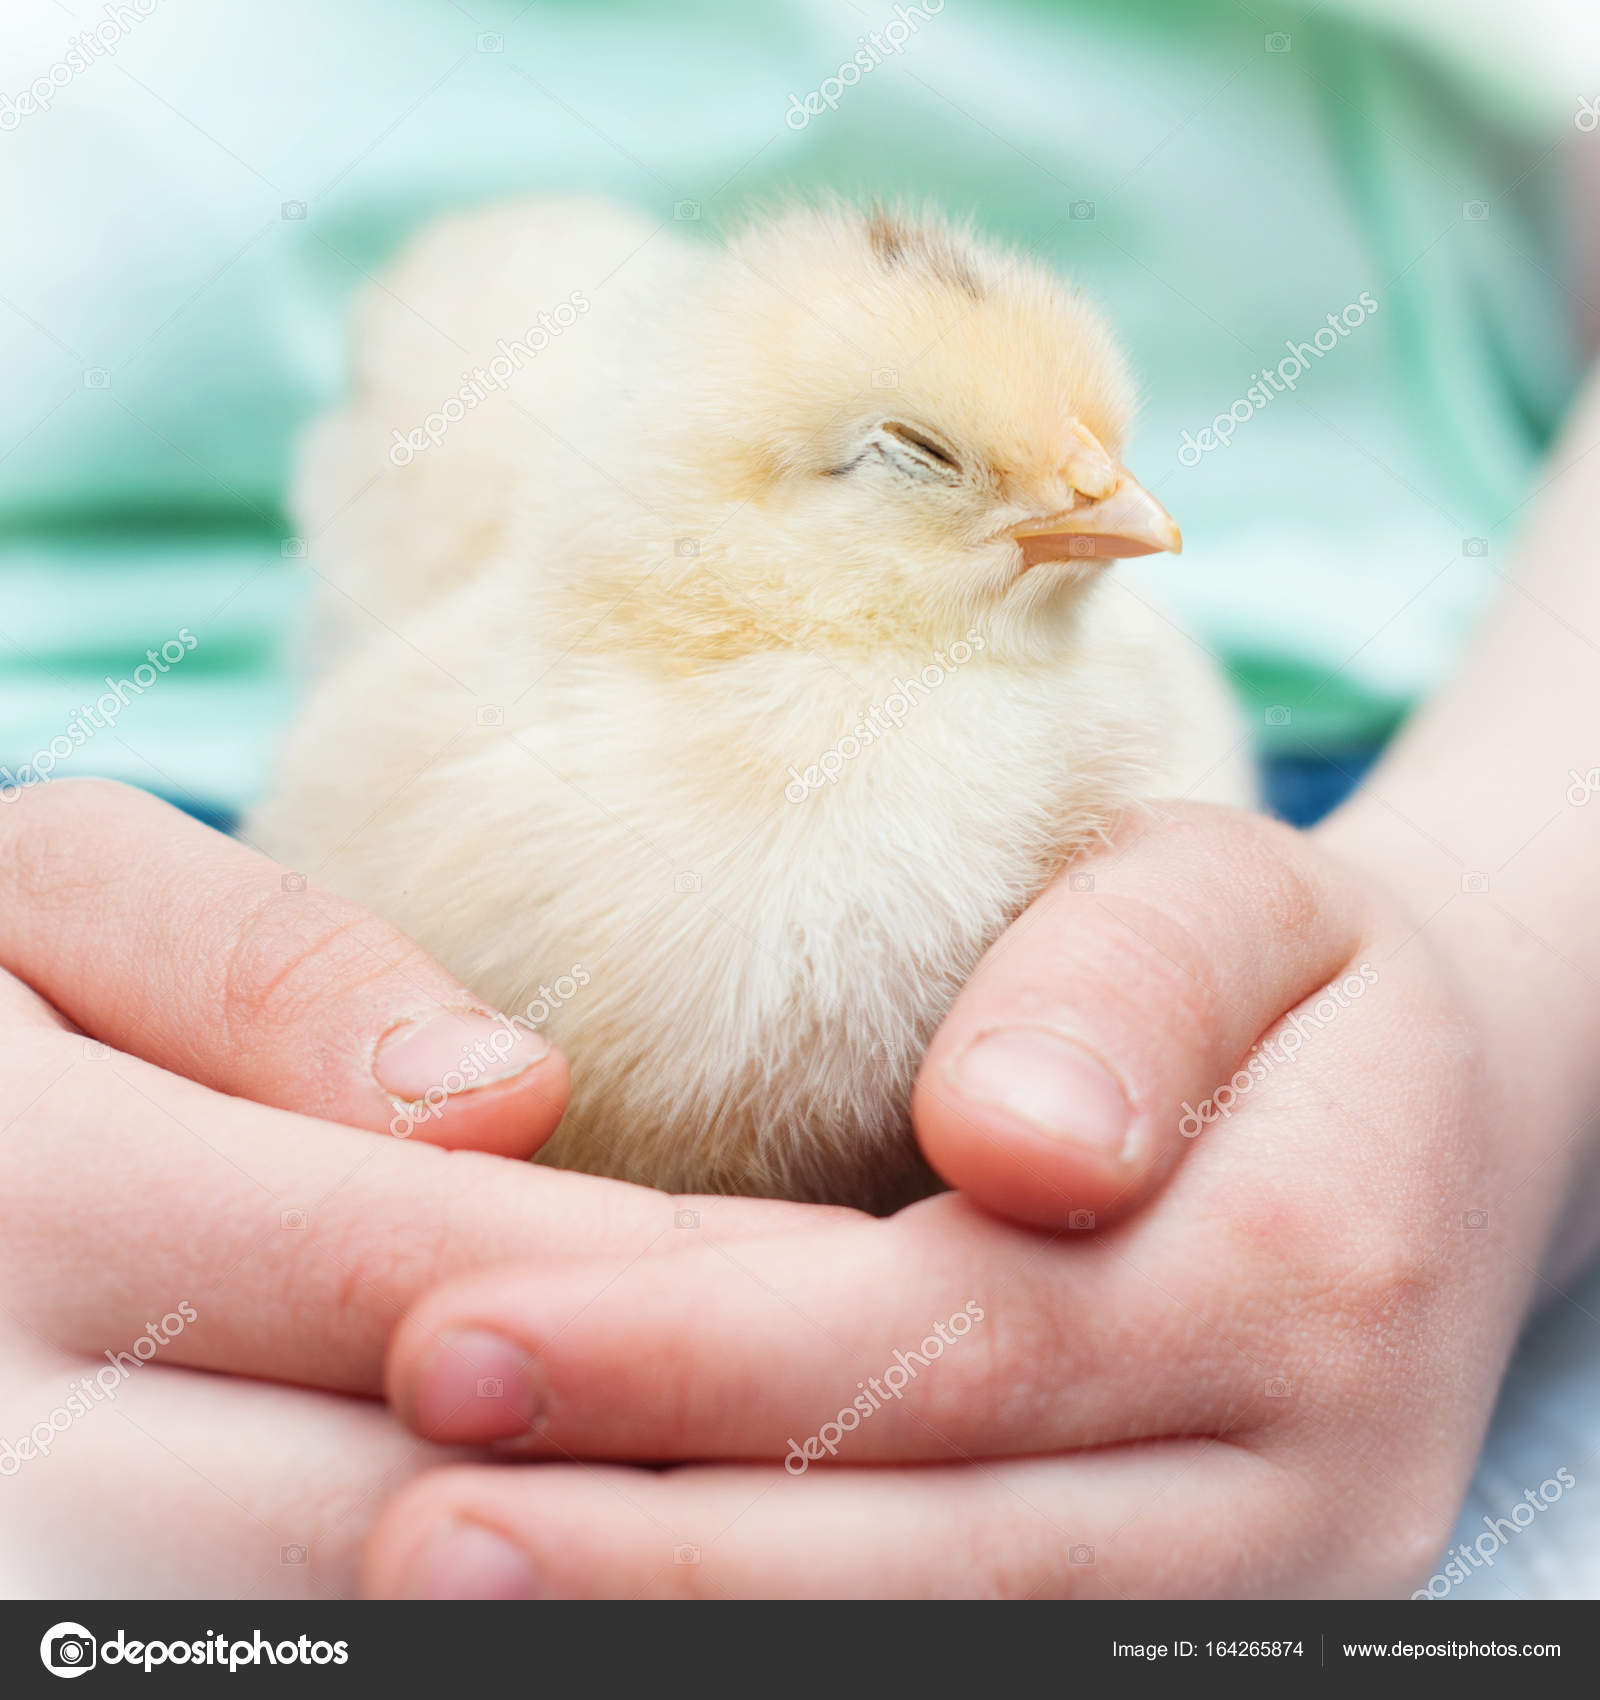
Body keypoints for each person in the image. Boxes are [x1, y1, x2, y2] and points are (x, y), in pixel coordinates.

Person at [3, 0, 1598, 1596]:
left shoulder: (1108, 744)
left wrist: (1509, 1002)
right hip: (107, 933)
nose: (1111, 504)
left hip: (1399, 883)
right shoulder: (472, 714)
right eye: (919, 458)